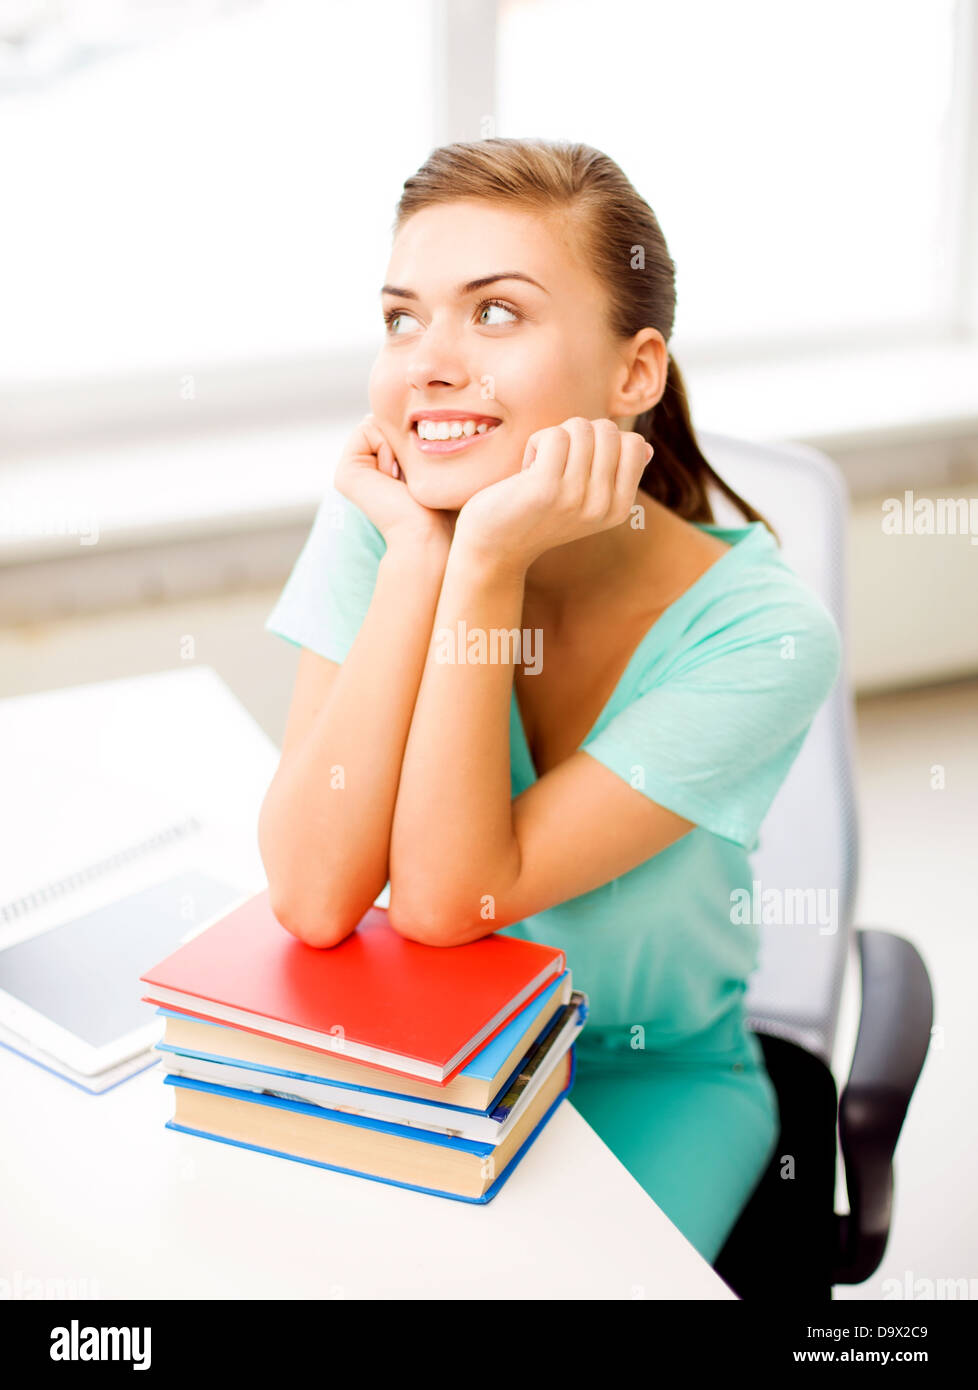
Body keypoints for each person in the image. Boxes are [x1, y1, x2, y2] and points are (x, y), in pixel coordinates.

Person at [258, 138, 842, 1265]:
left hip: (642, 1075)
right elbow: (314, 891)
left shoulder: (766, 635)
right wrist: (422, 564)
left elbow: (444, 898)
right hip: (423, 1056)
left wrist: (483, 566)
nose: (427, 363)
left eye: (495, 314)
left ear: (635, 375)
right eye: (401, 319)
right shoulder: (387, 524)